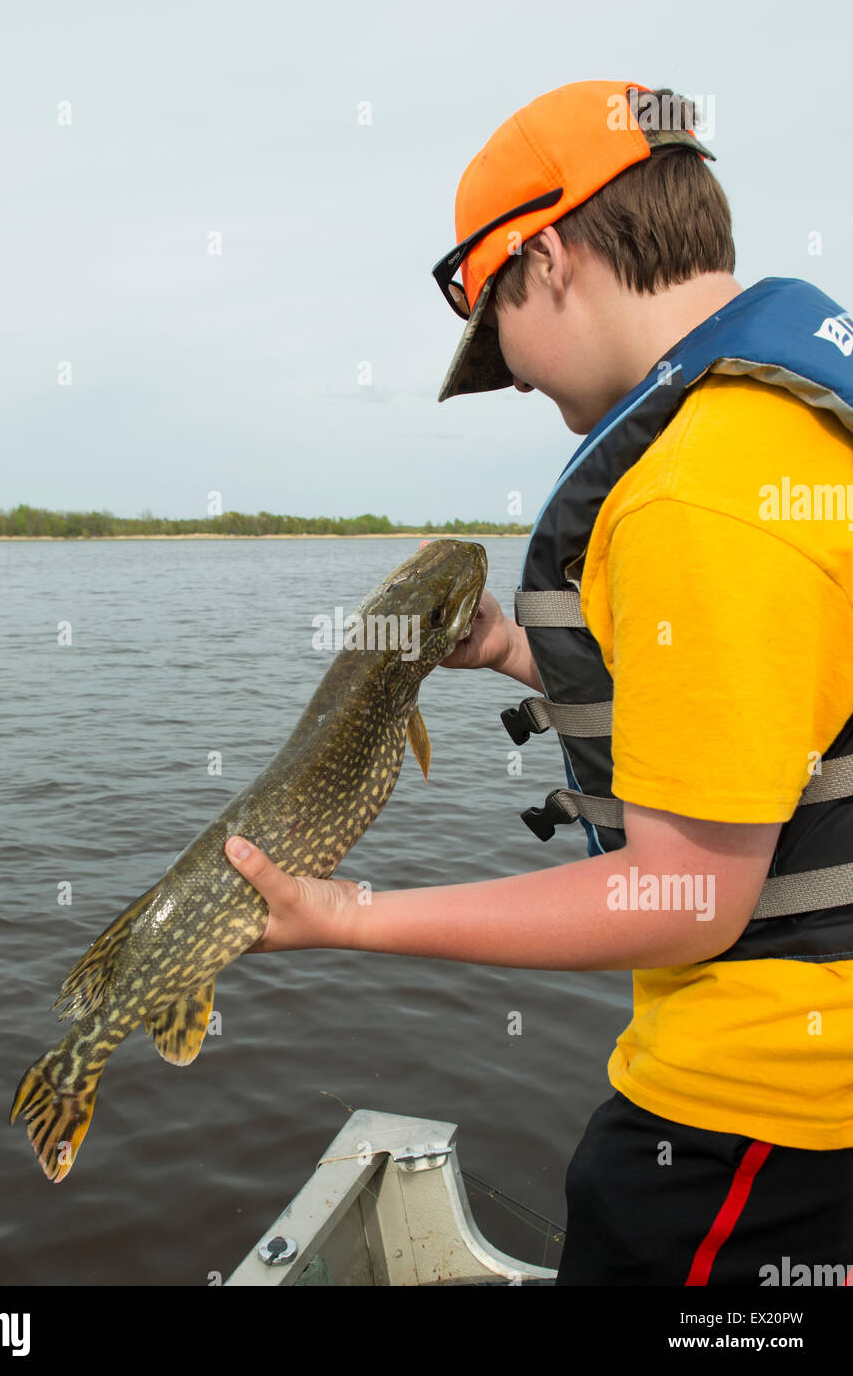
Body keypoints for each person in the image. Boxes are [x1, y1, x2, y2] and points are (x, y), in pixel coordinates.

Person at [224, 79, 853, 1286]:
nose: (508, 375)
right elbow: (782, 702)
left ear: (550, 256)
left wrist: (346, 916)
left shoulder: (695, 485)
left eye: (496, 324)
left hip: (760, 1125)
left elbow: (684, 897)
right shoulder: (785, 427)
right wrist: (519, 651)